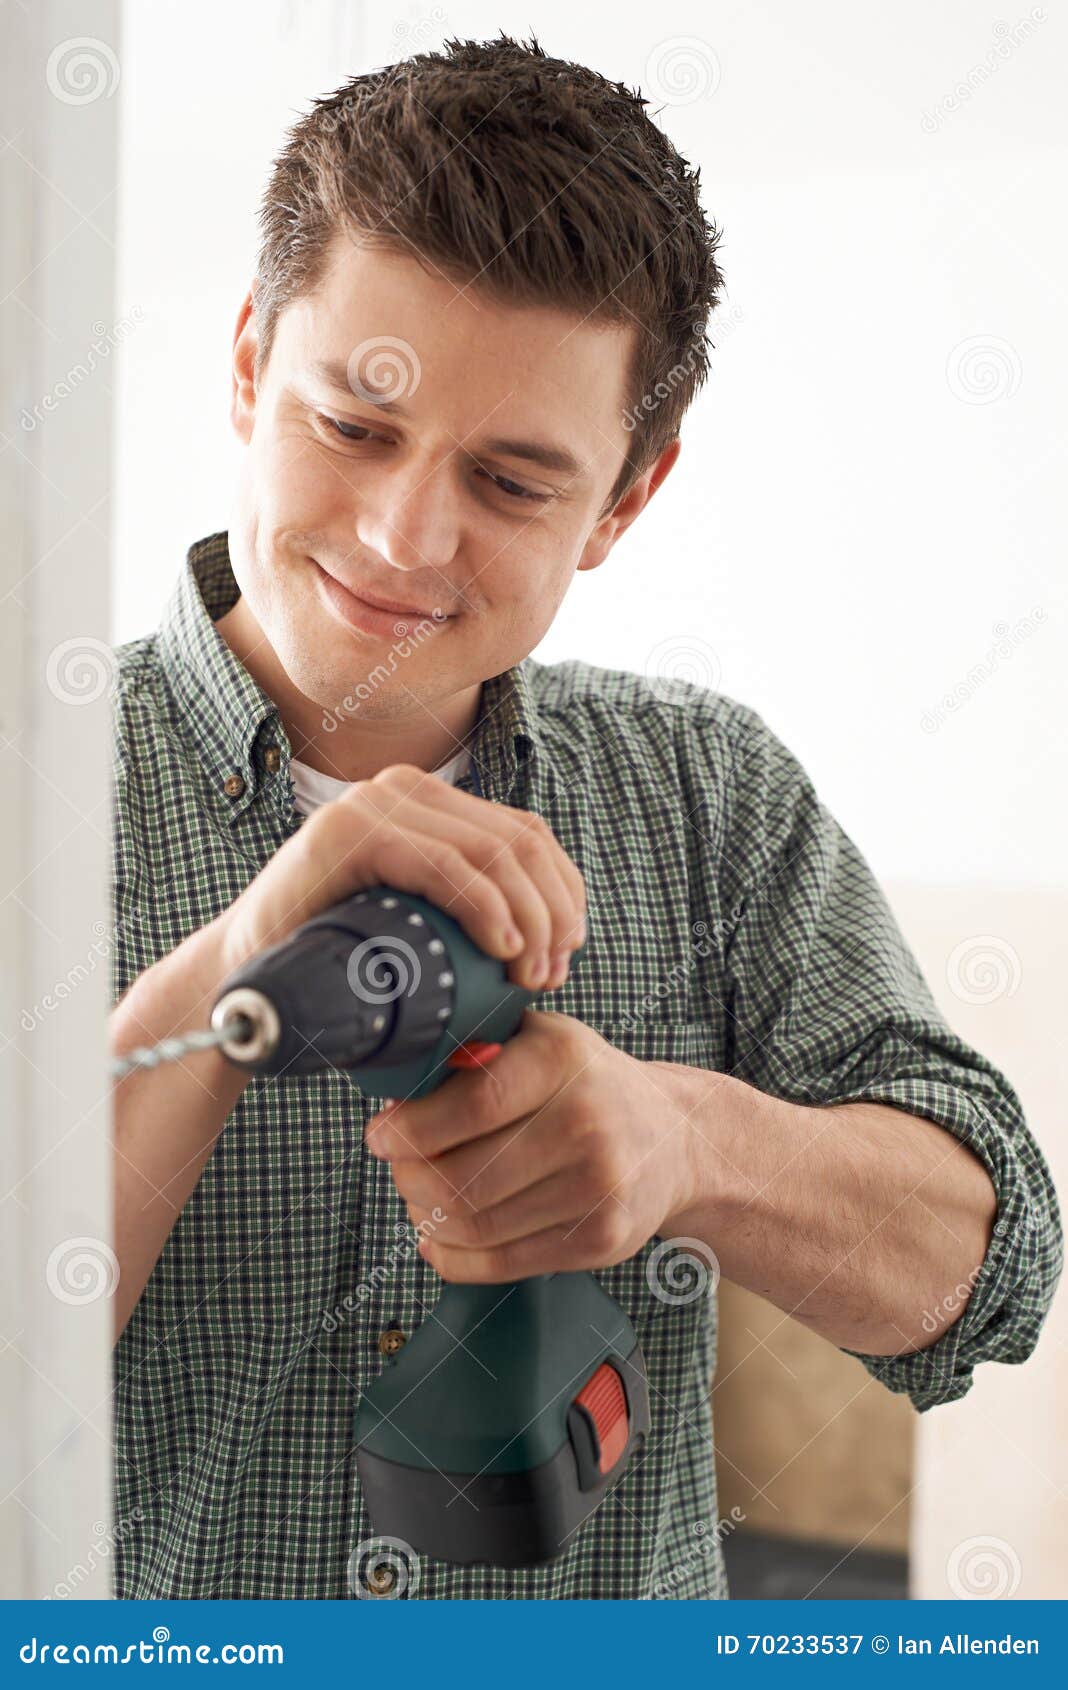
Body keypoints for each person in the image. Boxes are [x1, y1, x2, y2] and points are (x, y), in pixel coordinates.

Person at [108, 34, 1060, 1600]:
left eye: (511, 482)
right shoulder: (37, 781)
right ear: (247, 365)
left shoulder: (711, 794)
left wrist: (692, 1142)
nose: (405, 537)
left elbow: (992, 1271)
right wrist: (223, 985)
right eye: (355, 425)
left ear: (626, 498)